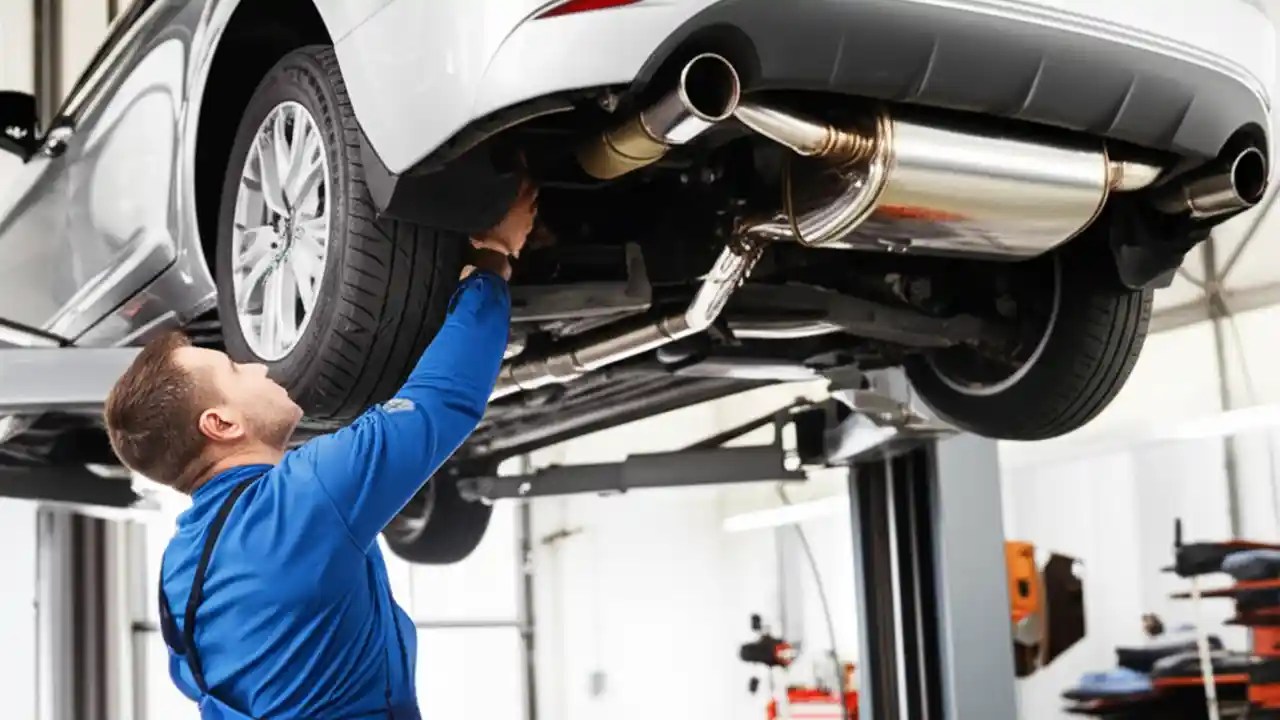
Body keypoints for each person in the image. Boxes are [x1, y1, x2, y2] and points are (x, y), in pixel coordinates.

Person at [103, 178, 537, 720]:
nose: (259, 366)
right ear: (220, 423)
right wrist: (492, 258)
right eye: (237, 370)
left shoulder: (181, 571)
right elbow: (440, 401)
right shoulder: (301, 501)